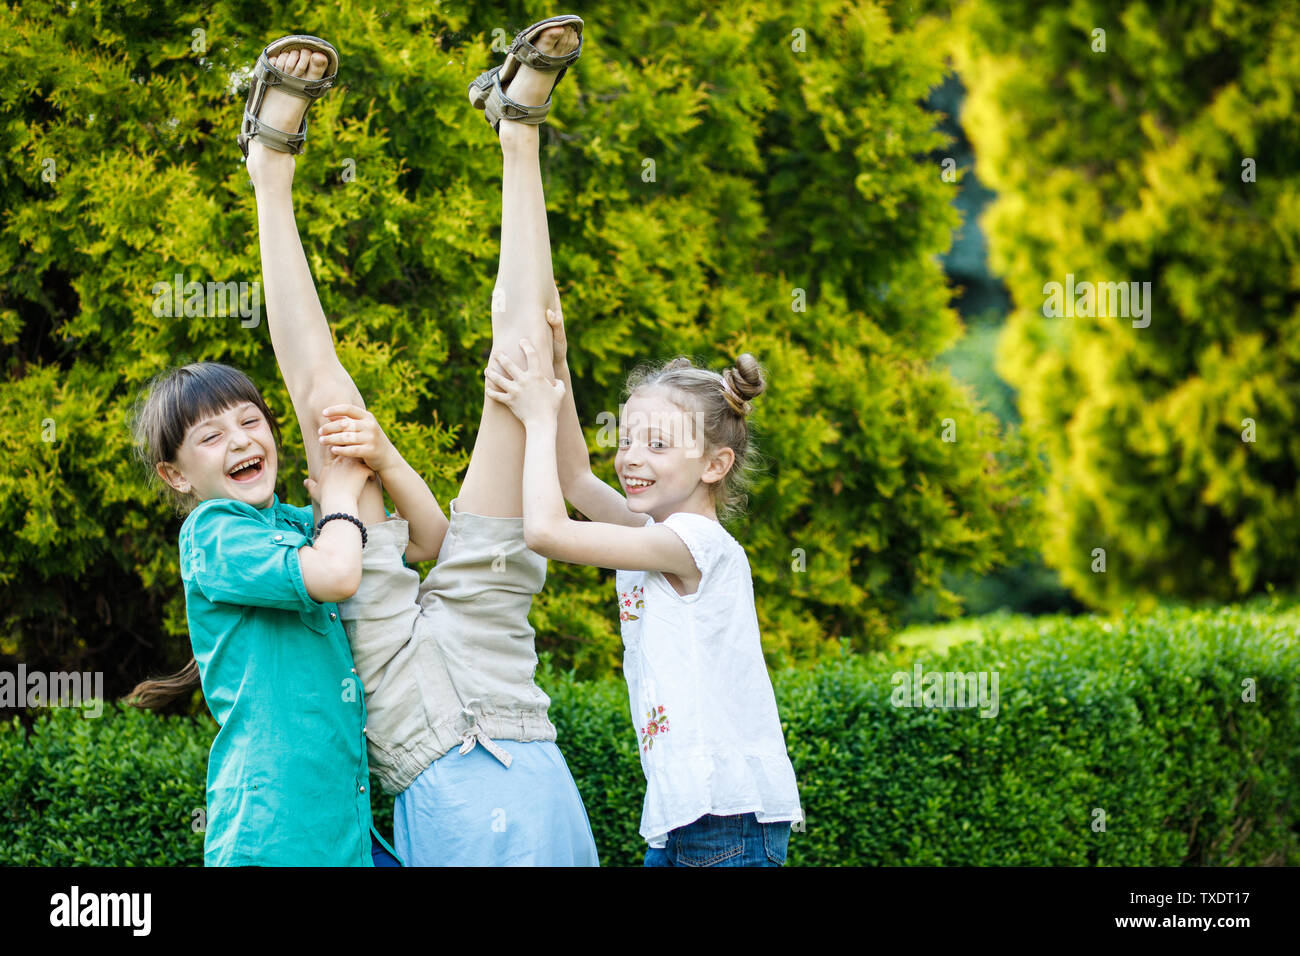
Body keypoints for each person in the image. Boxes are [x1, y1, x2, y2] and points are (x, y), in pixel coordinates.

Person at [231, 22, 599, 866]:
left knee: (334, 427)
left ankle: (267, 166)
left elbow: (428, 544)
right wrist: (388, 458)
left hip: (418, 687)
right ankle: (518, 132)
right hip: (489, 641)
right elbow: (442, 549)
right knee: (528, 359)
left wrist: (382, 458)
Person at [484, 310, 805, 866]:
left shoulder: (693, 545)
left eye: (657, 445)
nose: (631, 456)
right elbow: (576, 480)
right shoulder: (658, 534)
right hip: (694, 822)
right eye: (628, 438)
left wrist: (538, 420)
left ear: (715, 465)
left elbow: (545, 530)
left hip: (724, 826)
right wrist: (558, 369)